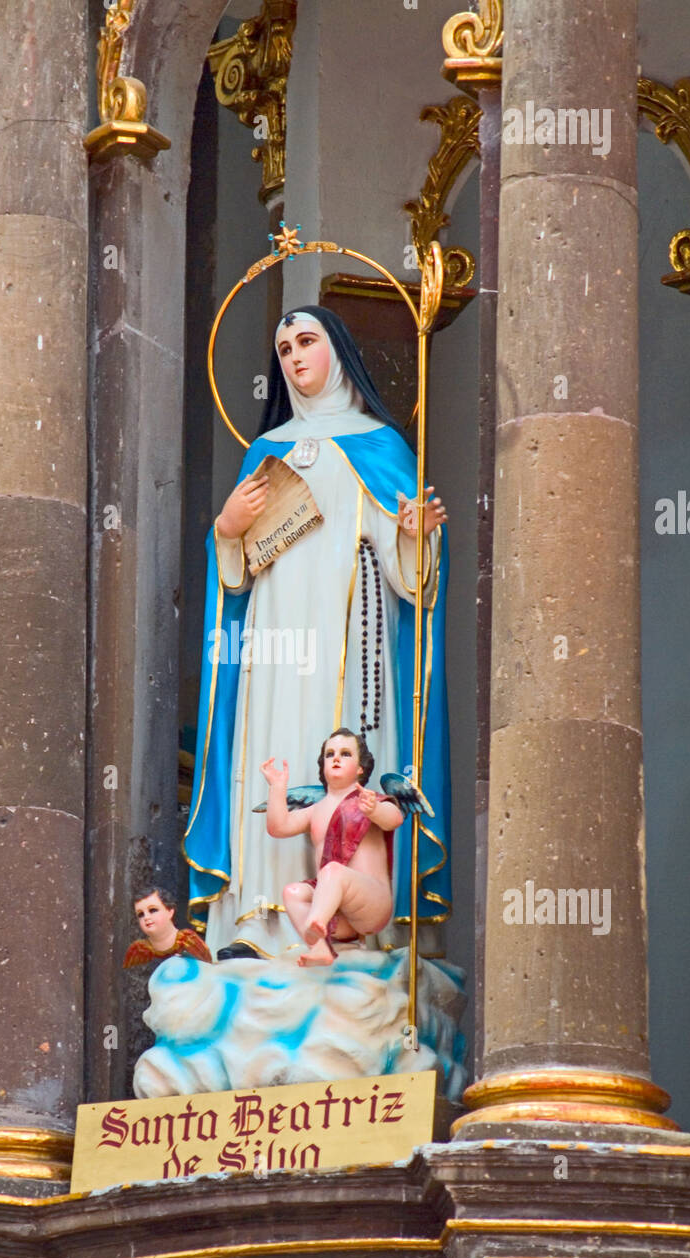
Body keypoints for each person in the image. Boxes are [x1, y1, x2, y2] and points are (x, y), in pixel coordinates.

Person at [183, 306, 451, 960]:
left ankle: (353, 923)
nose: (295, 357)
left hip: (350, 633)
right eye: (283, 349)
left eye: (306, 341)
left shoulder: (381, 447)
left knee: (344, 753)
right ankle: (262, 918)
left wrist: (414, 535)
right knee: (272, 752)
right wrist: (226, 526)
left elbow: (410, 579)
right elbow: (235, 583)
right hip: (274, 640)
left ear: (338, 351)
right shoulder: (265, 452)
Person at [262, 727, 404, 966]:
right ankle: (319, 948)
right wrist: (277, 786)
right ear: (323, 765)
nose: (336, 758)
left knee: (332, 871)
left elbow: (395, 818)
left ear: (361, 768)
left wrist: (375, 810)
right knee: (293, 892)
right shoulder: (317, 810)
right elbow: (279, 827)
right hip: (337, 915)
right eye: (330, 754)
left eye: (346, 753)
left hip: (371, 903)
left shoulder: (368, 800)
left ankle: (315, 923)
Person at [123, 886, 212, 968]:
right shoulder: (138, 950)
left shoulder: (188, 940)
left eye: (153, 910)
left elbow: (206, 970)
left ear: (170, 911)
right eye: (141, 914)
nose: (146, 917)